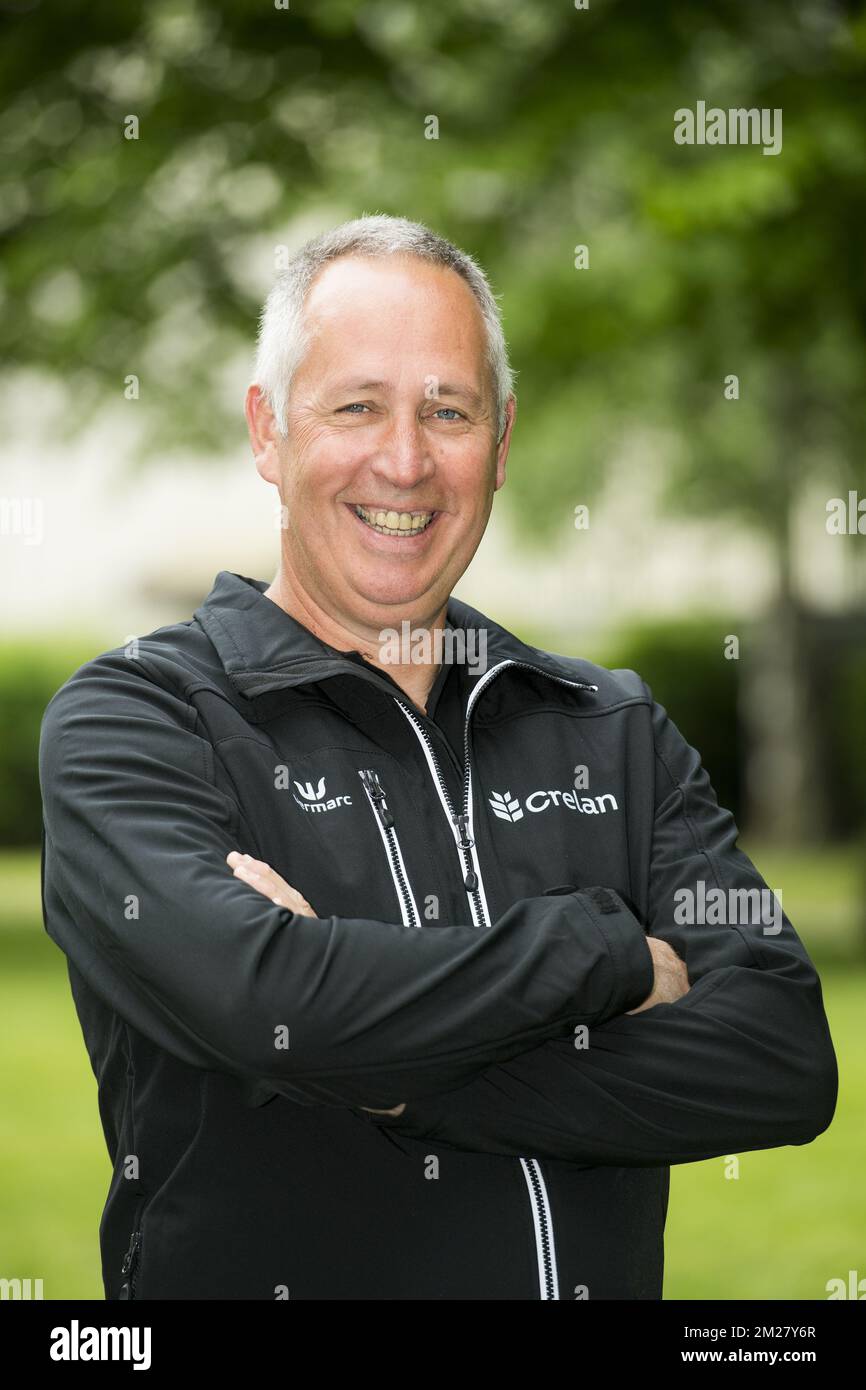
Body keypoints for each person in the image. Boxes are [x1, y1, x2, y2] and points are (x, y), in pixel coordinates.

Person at [38, 214, 837, 1300]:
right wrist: (600, 951)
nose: (404, 460)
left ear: (500, 442)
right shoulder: (140, 719)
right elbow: (267, 1002)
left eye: (446, 411)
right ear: (268, 432)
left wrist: (391, 1081)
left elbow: (779, 1059)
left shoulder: (606, 725)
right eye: (357, 405)